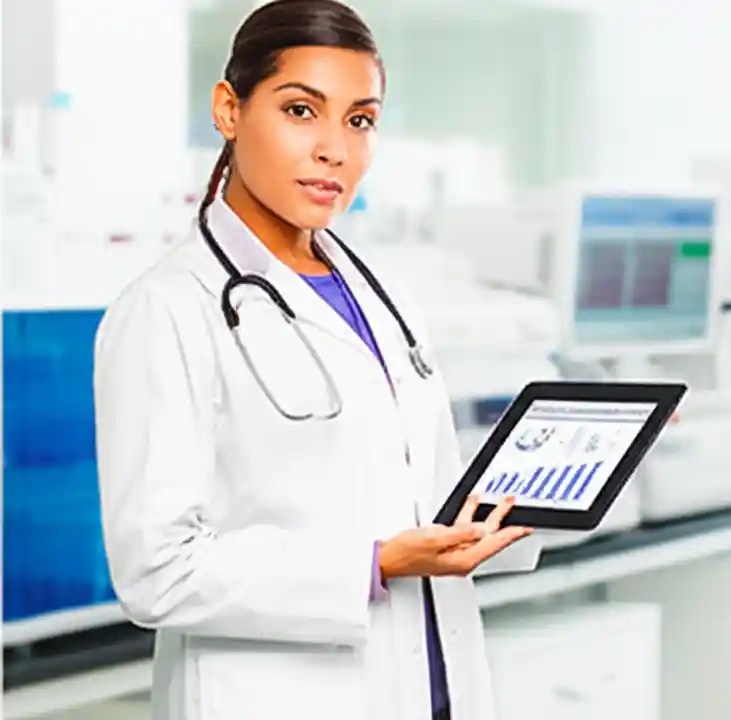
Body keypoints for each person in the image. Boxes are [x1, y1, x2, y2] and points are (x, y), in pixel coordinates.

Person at [92, 2, 539, 718]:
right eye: (302, 110)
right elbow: (156, 572)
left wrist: (542, 488)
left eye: (359, 120)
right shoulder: (169, 308)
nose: (336, 148)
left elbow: (416, 491)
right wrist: (376, 562)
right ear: (228, 109)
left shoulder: (383, 294)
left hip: (427, 682)